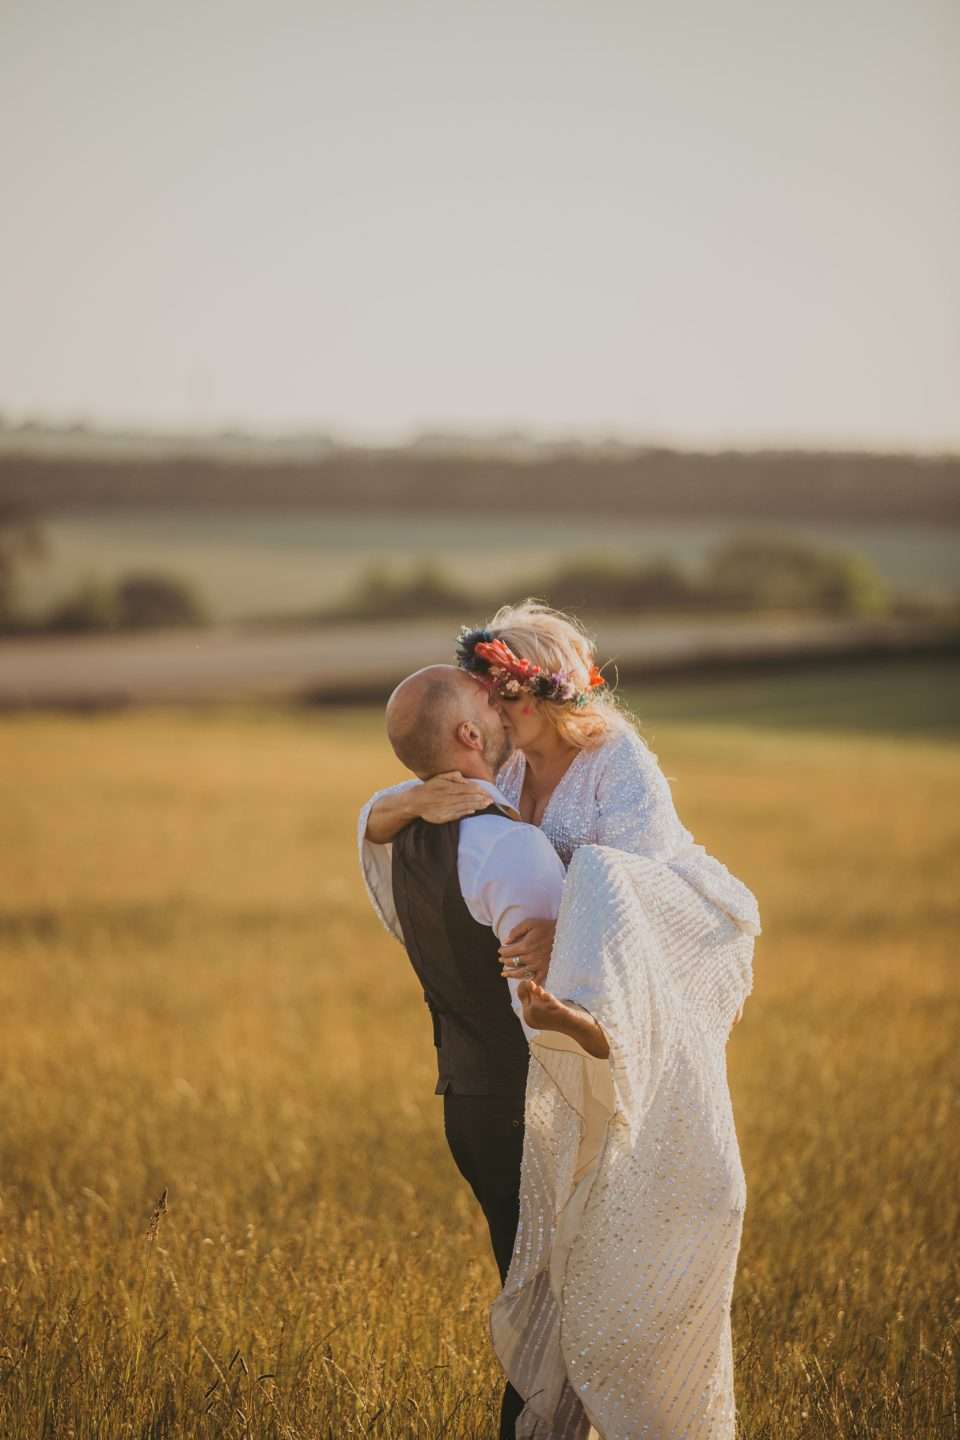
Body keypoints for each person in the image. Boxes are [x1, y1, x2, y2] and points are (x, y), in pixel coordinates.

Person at [358, 601, 763, 1439]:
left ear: (539, 697)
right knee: (548, 1275)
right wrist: (413, 801)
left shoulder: (621, 767)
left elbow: (636, 901)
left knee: (609, 1273)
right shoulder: (500, 769)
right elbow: (397, 813)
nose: (484, 717)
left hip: (624, 1015)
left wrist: (565, 913)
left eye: (497, 700)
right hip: (531, 1040)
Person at [369, 663, 610, 1439]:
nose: (504, 705)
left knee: (538, 1305)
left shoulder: (403, 843)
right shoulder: (515, 852)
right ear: (471, 737)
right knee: (558, 1326)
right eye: (488, 701)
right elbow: (541, 1015)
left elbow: (371, 820)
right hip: (527, 1108)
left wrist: (400, 800)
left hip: (465, 1105)